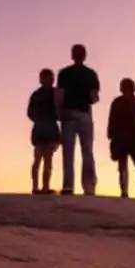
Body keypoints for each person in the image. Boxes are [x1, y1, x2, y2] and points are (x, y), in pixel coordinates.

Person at [55, 44, 100, 195]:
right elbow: (94, 97)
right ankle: (89, 186)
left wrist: (58, 112)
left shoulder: (64, 73)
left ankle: (68, 186)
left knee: (68, 151)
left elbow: (59, 94)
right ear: (85, 55)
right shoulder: (91, 74)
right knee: (87, 150)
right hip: (85, 114)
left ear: (72, 55)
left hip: (68, 114)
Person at [106, 77, 135, 198]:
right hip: (123, 137)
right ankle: (125, 190)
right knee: (123, 165)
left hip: (134, 137)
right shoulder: (118, 102)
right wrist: (111, 134)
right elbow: (112, 119)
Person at [27, 68, 61, 194]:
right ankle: (38, 187)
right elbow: (30, 113)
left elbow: (30, 113)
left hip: (47, 128)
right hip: (45, 128)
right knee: (40, 159)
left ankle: (43, 187)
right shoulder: (40, 95)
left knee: (46, 159)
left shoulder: (46, 94)